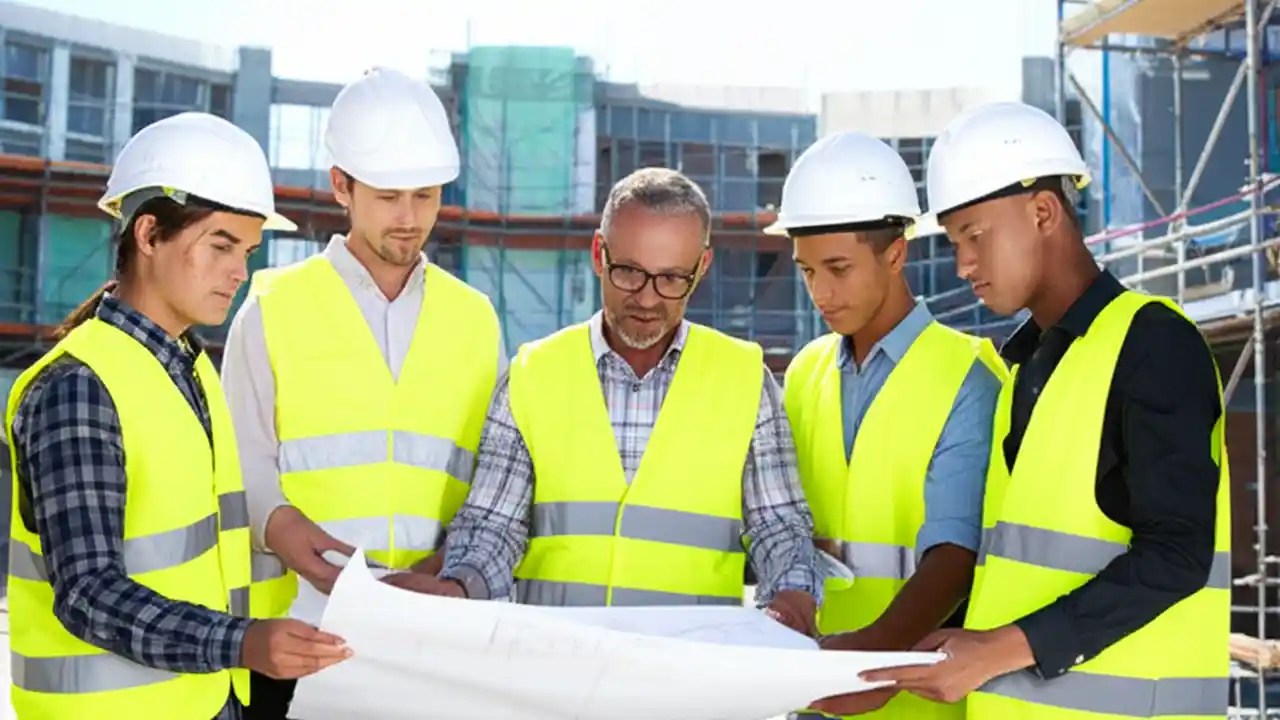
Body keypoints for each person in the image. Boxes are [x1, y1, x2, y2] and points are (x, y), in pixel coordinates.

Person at [823, 101, 1230, 719]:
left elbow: (1176, 556)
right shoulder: (1025, 371)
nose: (962, 265)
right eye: (955, 242)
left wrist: (996, 651)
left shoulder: (1154, 343)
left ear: (1043, 211)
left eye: (974, 237)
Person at [5, 112, 351, 720]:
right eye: (220, 245)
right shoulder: (80, 388)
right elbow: (89, 592)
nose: (240, 272)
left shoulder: (190, 370)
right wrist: (241, 642)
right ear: (147, 235)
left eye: (246, 250)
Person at [391, 167, 823, 631]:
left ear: (702, 268)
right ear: (599, 253)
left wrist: (791, 598)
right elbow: (493, 525)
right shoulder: (533, 374)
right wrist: (459, 587)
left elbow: (779, 526)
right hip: (556, 673)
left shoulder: (745, 380)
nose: (647, 299)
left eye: (672, 279)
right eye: (629, 273)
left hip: (686, 678)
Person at [220, 67, 505, 718]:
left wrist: (452, 567)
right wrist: (281, 528)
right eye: (388, 196)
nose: (409, 219)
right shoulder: (271, 308)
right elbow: (241, 466)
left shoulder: (475, 319)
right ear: (342, 186)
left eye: (426, 196)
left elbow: (496, 477)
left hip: (435, 639)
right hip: (297, 637)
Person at [769, 132, 1005, 719]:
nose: (820, 292)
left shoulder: (970, 375)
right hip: (812, 686)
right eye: (806, 271)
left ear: (896, 254)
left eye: (839, 268)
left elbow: (956, 553)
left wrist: (870, 661)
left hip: (914, 698)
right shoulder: (804, 372)